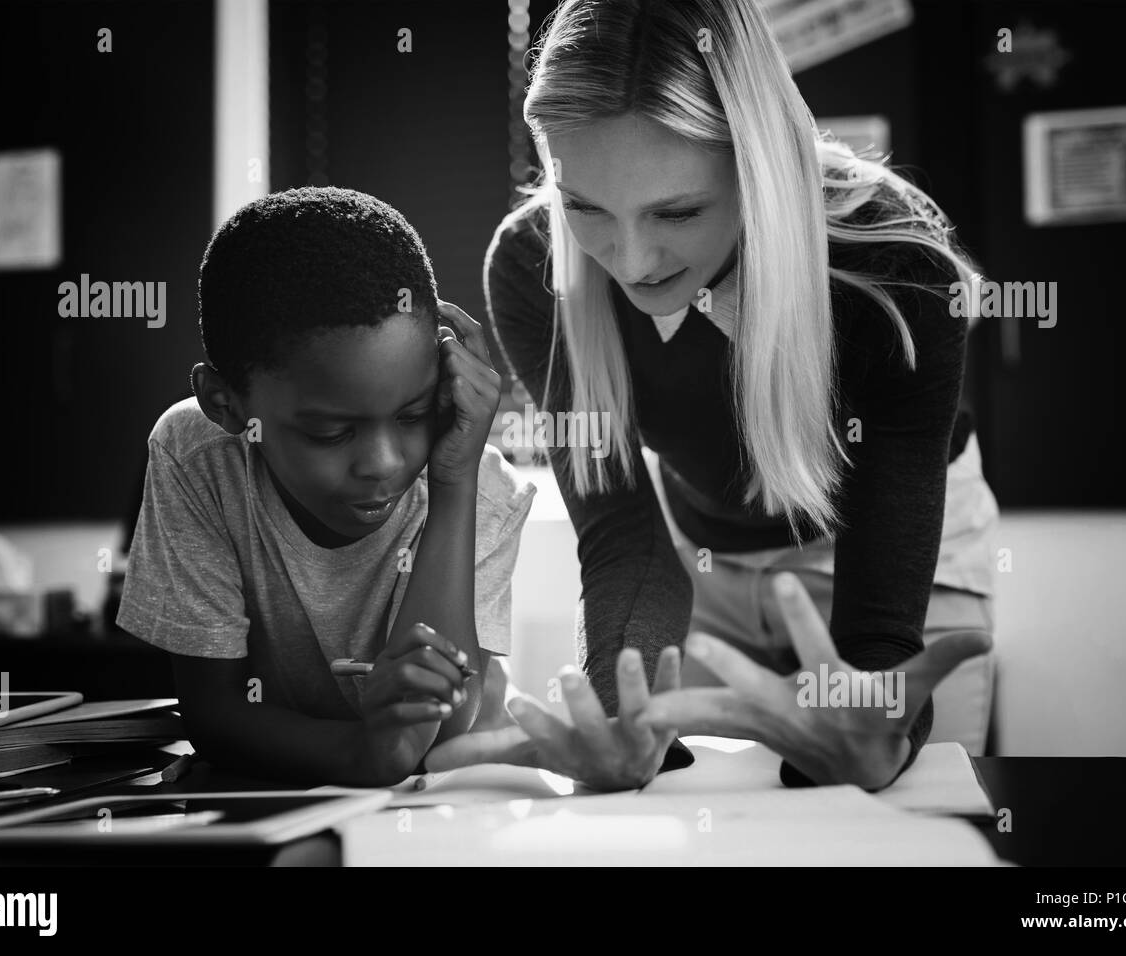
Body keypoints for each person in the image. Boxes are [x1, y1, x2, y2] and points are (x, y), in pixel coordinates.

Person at [427, 0, 998, 792]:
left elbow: (880, 619)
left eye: (678, 210)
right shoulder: (530, 269)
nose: (630, 260)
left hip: (894, 546)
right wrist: (614, 716)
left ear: (757, 162)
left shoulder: (894, 265)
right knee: (679, 806)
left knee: (883, 804)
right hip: (702, 556)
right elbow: (622, 525)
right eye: (585, 207)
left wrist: (876, 721)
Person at [116, 187, 534, 786]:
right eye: (331, 432)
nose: (383, 463)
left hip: (456, 790)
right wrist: (365, 753)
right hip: (287, 786)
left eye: (413, 416)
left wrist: (454, 481)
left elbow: (439, 733)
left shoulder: (481, 484)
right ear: (225, 403)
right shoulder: (197, 457)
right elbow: (213, 714)